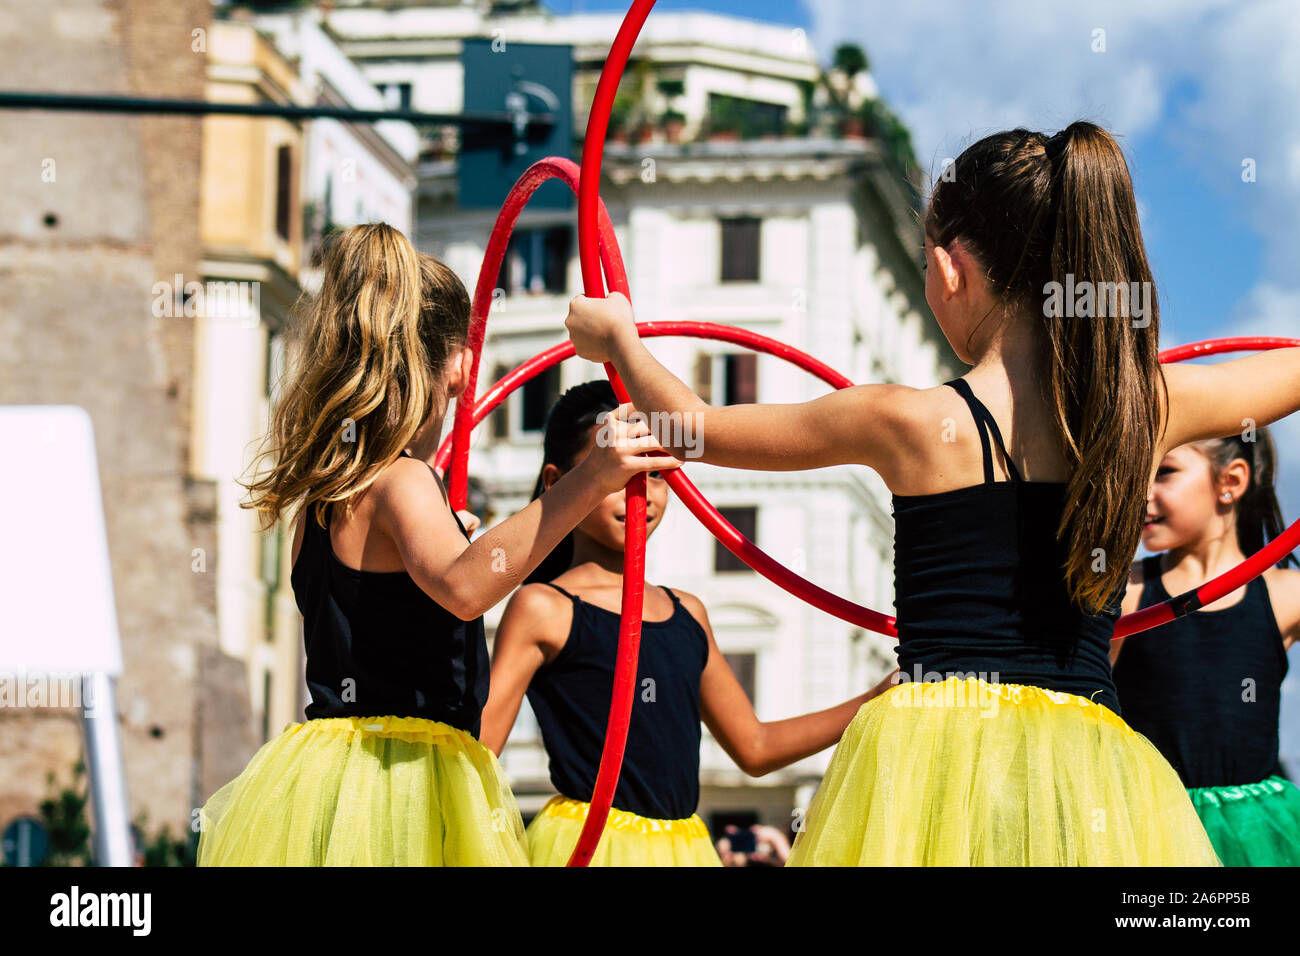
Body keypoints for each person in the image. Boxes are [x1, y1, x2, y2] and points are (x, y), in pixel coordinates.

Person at [565, 121, 1300, 865]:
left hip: (933, 754)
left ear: (950, 269)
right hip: (1088, 768)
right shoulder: (1142, 410)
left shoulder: (908, 421)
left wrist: (620, 340)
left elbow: (692, 430)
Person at [196, 224, 678, 866]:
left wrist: (454, 540)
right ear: (458, 368)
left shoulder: (324, 498)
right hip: (403, 781)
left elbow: (381, 602)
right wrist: (592, 477)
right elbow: (464, 587)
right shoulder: (404, 480)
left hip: (333, 774)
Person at [479, 380, 899, 866]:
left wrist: (874, 697)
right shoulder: (543, 608)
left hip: (686, 850)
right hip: (586, 845)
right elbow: (480, 754)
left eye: (657, 472)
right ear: (557, 482)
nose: (641, 490)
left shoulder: (688, 612)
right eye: (616, 468)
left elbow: (755, 747)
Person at [1112, 430, 1300, 865]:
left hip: (1258, 832)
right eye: (1137, 473)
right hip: (1145, 829)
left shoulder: (1286, 594)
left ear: (1230, 482)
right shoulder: (1123, 592)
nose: (1141, 493)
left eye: (1164, 472)